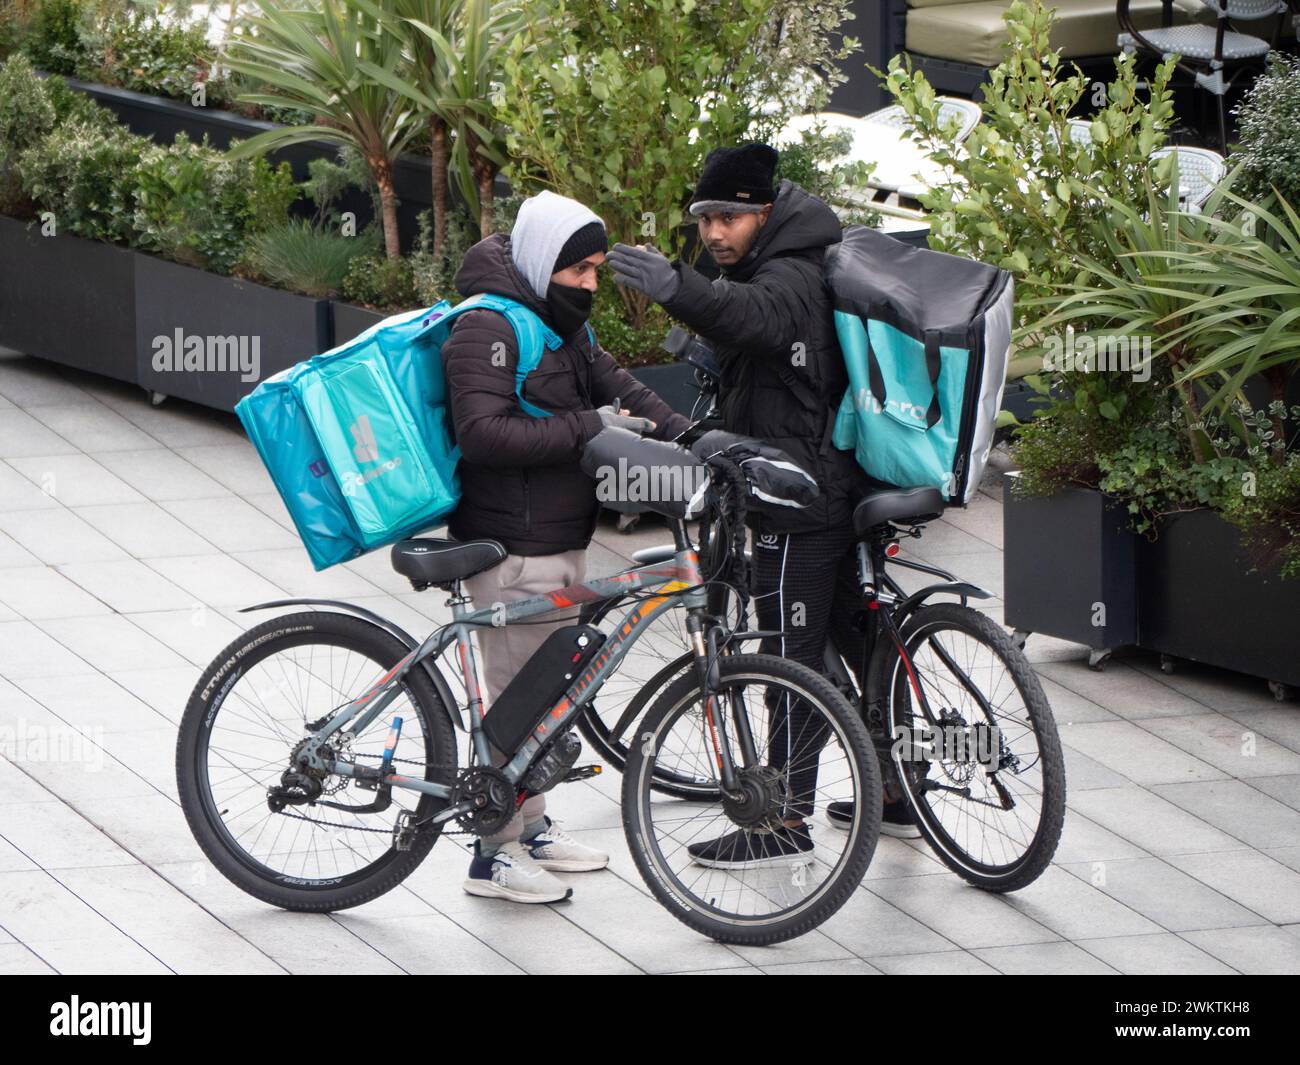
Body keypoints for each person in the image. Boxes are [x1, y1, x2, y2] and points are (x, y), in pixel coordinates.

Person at [607, 143, 921, 868]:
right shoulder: (794, 254)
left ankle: (782, 819)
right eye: (705, 219)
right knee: (858, 640)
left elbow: (753, 318)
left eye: (730, 217)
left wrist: (674, 285)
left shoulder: (792, 273)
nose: (716, 233)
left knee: (789, 657)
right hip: (835, 484)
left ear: (766, 211)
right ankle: (901, 786)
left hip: (798, 496)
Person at [441, 190, 691, 902]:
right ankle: (493, 854)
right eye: (578, 269)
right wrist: (588, 426)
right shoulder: (487, 326)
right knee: (516, 704)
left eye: (597, 269)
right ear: (543, 261)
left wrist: (701, 441)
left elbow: (626, 391)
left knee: (542, 702)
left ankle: (533, 826)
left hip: (558, 540)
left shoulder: (560, 328)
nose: (589, 283)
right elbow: (482, 434)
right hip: (509, 547)